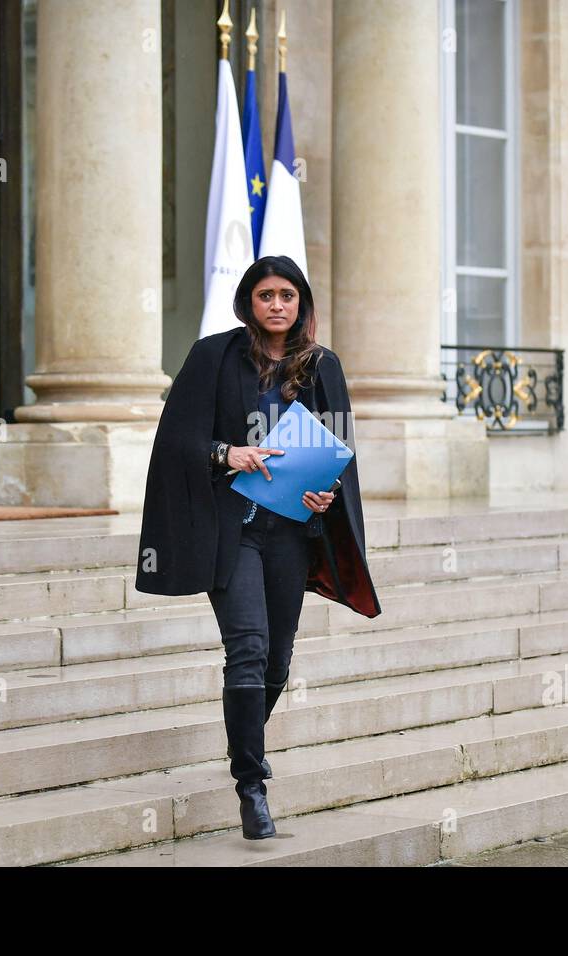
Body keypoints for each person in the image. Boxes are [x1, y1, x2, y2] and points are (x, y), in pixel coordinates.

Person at [135, 255, 381, 840]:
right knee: (247, 649)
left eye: (288, 295)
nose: (277, 305)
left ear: (302, 304)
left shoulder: (323, 366)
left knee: (276, 662)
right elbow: (175, 441)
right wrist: (229, 454)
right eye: (266, 294)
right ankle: (251, 784)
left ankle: (248, 747)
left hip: (290, 534)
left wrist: (326, 495)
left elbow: (338, 450)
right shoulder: (212, 356)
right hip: (232, 531)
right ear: (249, 301)